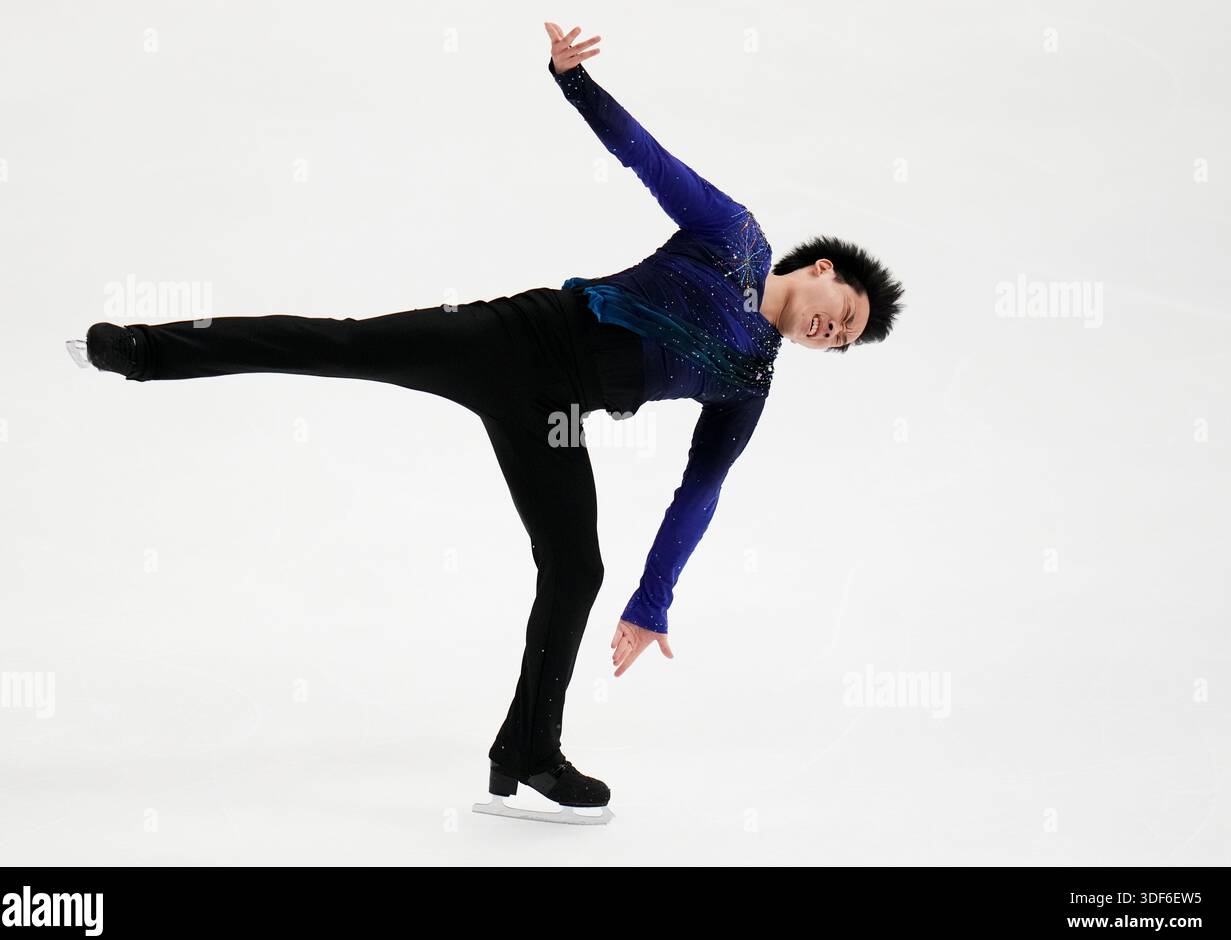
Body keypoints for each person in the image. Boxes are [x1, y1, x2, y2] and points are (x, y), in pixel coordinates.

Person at [69, 22, 905, 825]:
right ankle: (142, 350)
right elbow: (650, 162)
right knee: (340, 344)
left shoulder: (750, 380)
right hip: (515, 340)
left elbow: (701, 489)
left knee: (576, 567)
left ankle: (529, 751)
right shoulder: (737, 238)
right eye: (845, 313)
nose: (833, 332)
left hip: (558, 420)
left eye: (844, 343)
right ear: (824, 271)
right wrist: (575, 82)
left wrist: (653, 601)